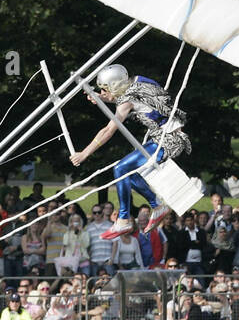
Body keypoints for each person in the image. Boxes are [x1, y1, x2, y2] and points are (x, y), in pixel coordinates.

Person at [70, 64, 191, 240]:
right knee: (128, 173)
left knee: (120, 170)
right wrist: (104, 98)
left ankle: (124, 219)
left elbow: (108, 130)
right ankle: (156, 205)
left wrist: (85, 153)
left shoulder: (126, 100)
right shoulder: (140, 82)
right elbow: (134, 101)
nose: (103, 93)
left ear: (115, 86)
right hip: (170, 137)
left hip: (168, 141)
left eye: (105, 89)